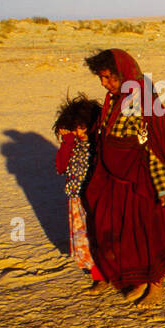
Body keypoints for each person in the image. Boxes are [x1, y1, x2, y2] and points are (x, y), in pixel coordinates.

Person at [83, 49, 165, 307]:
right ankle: (140, 280)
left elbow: (153, 148)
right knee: (126, 233)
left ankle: (156, 287)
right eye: (101, 78)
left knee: (152, 233)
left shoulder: (142, 101)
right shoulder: (114, 99)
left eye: (109, 77)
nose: (104, 83)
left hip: (142, 180)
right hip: (117, 181)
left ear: (124, 74)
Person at [52, 93, 103, 284]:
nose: (80, 133)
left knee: (99, 235)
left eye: (83, 128)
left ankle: (104, 273)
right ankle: (97, 275)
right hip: (76, 199)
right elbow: (60, 167)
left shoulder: (99, 144)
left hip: (97, 197)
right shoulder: (72, 145)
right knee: (84, 237)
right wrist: (66, 142)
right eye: (76, 129)